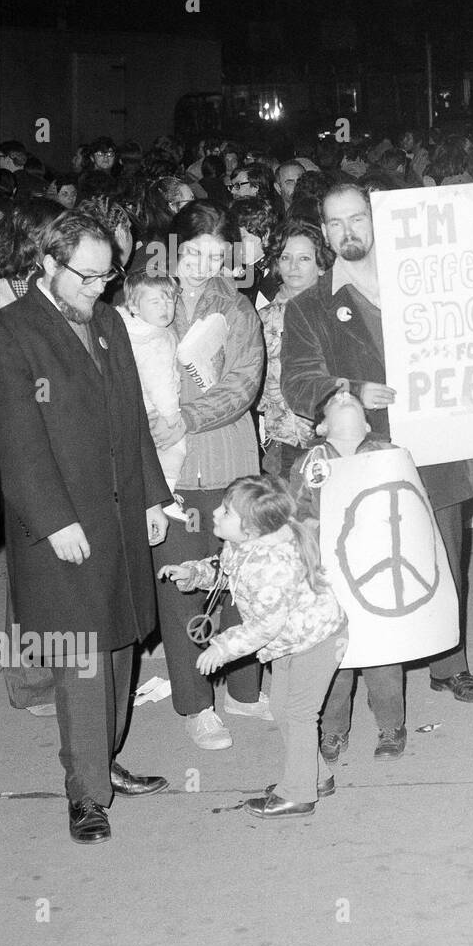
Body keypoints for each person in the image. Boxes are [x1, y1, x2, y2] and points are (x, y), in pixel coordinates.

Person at [280, 180, 473, 763]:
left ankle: (450, 663)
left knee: (445, 558)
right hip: (362, 461)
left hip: (436, 445)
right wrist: (348, 389)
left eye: (357, 219)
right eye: (335, 222)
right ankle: (358, 695)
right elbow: (298, 384)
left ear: (379, 221)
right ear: (323, 233)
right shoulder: (308, 307)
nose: (348, 231)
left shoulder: (428, 280)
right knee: (365, 574)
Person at [0, 211, 171, 843]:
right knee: (82, 656)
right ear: (47, 262)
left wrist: (153, 496)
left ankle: (104, 757)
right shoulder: (11, 333)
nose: (99, 287)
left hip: (121, 511)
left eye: (107, 275)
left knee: (121, 640)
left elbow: (132, 418)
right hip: (63, 523)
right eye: (87, 276)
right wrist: (53, 521)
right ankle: (86, 793)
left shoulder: (107, 324)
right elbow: (17, 443)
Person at [148, 203, 269, 750]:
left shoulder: (237, 307)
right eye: (194, 251)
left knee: (242, 581)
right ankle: (197, 705)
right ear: (174, 247)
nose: (203, 263)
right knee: (180, 589)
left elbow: (245, 383)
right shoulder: (148, 300)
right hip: (169, 470)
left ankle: (245, 690)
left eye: (216, 254)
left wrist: (187, 420)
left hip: (229, 461)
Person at [160, 474, 347, 817]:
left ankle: (298, 793)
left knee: (300, 714)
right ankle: (316, 776)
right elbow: (223, 571)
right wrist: (194, 575)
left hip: (317, 641)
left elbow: (265, 625)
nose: (214, 513)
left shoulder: (271, 565)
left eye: (226, 511)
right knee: (281, 707)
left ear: (250, 528)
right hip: (292, 641)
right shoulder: (244, 545)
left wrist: (221, 646)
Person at [257, 220, 333, 478]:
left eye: (304, 259)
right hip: (284, 441)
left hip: (335, 437)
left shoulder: (339, 314)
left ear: (321, 265)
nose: (293, 267)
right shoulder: (261, 319)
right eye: (286, 257)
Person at [116, 272, 187, 514]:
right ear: (134, 305)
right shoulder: (156, 338)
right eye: (155, 302)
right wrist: (171, 416)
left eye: (170, 300)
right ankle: (166, 497)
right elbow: (160, 381)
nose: (165, 308)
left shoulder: (125, 327)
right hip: (156, 409)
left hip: (131, 410)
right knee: (176, 448)